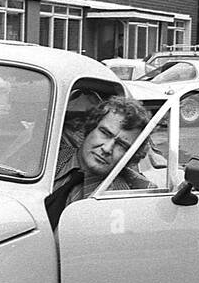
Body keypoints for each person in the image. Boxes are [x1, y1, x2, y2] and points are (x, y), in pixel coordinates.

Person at [46, 95, 155, 228]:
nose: (107, 148)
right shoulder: (47, 158)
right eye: (105, 133)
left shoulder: (121, 203)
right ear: (90, 128)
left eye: (122, 145)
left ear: (130, 156)